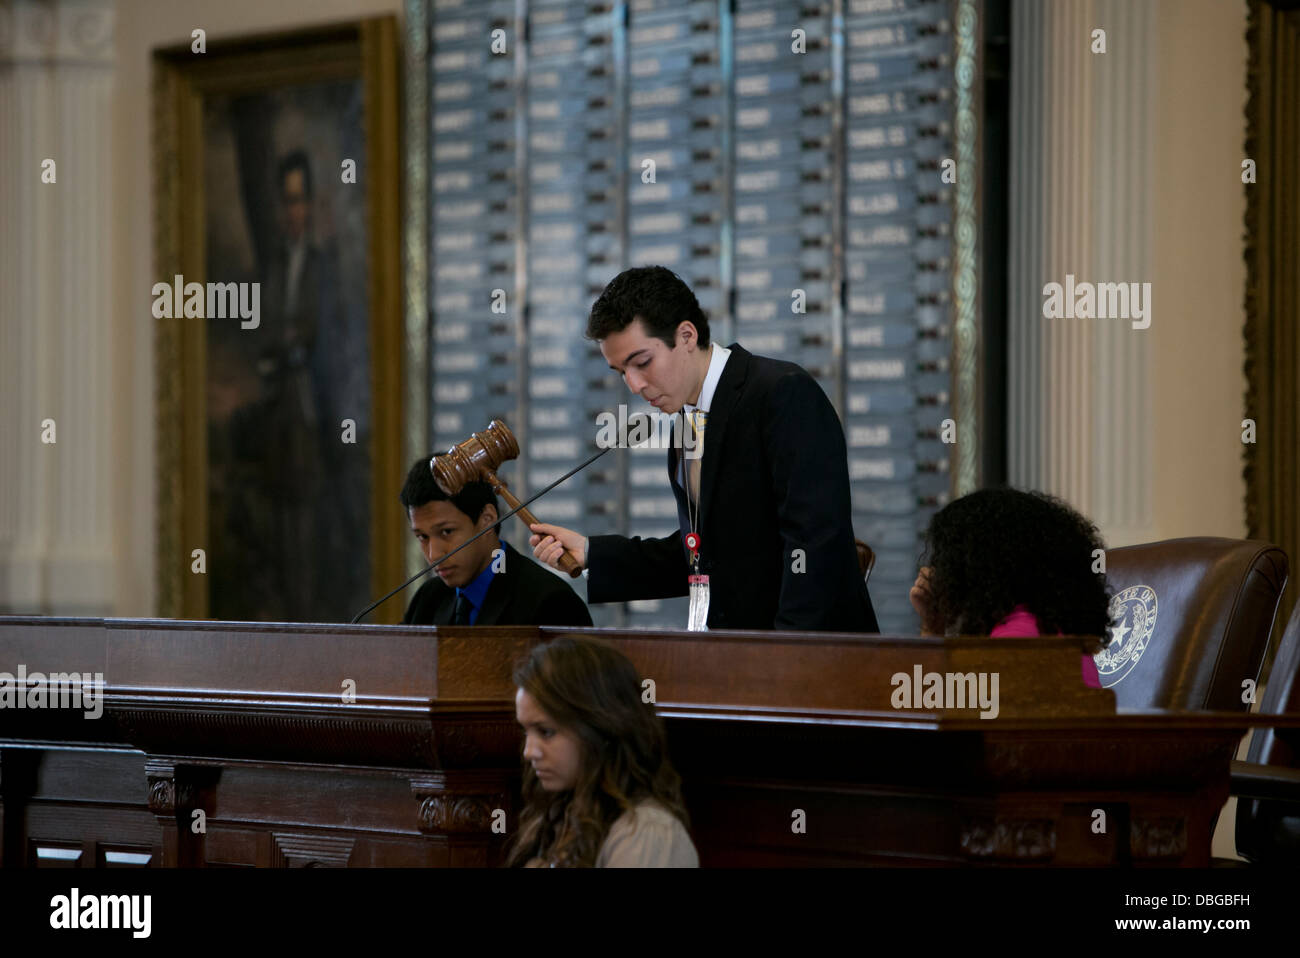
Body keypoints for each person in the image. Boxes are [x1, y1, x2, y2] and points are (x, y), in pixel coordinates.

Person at [529, 265, 879, 632]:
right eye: (621, 372)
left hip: (808, 661)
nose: (633, 385)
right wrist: (591, 554)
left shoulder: (781, 393)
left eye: (642, 362)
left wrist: (783, 661)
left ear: (686, 335)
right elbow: (705, 553)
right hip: (730, 656)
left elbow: (814, 544)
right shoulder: (688, 418)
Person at [508, 636, 699, 867]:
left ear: (600, 728)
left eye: (546, 732)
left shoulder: (646, 834)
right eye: (526, 732)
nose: (529, 752)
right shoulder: (554, 818)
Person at [908, 487, 1110, 687]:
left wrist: (930, 627)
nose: (939, 570)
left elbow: (928, 703)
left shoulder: (1016, 640)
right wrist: (933, 626)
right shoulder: (1043, 630)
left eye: (947, 559)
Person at [399, 455, 592, 627]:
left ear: (487, 520)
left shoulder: (550, 602)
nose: (434, 554)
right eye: (422, 537)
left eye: (446, 532)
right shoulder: (428, 599)